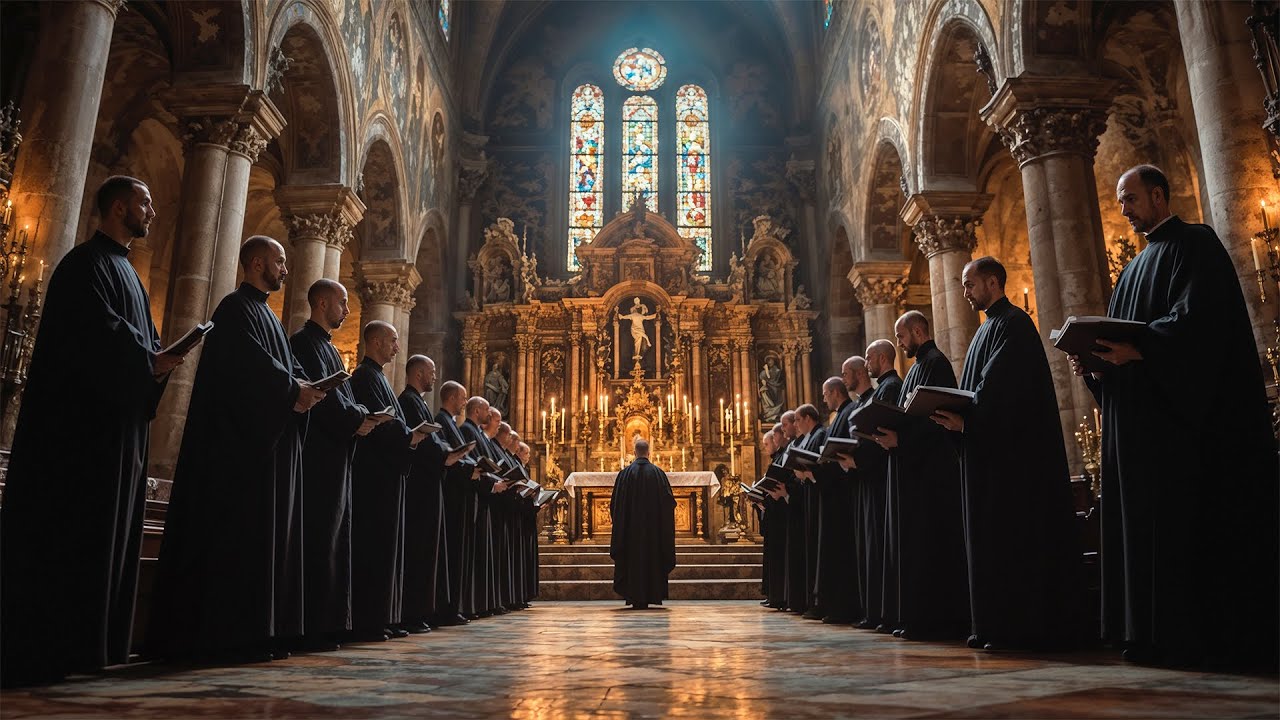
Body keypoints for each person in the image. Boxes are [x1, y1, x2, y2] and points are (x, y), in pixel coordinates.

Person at [1072, 165, 1279, 667]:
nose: (1123, 209)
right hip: (1140, 435)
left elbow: (1198, 323)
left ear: (1159, 195)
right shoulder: (1131, 271)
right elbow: (1124, 343)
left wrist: (1141, 350)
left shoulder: (1196, 244)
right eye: (1121, 201)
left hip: (1182, 435)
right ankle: (1147, 634)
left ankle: (1191, 636)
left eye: (1130, 198)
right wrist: (1097, 366)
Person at [0, 176, 184, 685]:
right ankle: (59, 646)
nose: (152, 211)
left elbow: (141, 342)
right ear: (119, 207)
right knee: (76, 536)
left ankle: (95, 646)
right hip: (81, 439)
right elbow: (95, 339)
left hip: (120, 434)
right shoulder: (83, 266)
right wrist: (147, 360)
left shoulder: (131, 275)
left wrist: (158, 361)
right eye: (145, 203)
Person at [149, 236, 325, 662]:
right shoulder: (233, 309)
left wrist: (306, 387)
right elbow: (250, 370)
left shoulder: (269, 317)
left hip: (262, 454)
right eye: (279, 262)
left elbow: (285, 367)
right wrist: (292, 390)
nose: (285, 270)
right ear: (257, 263)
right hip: (236, 457)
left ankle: (256, 633)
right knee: (235, 545)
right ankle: (228, 636)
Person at [933, 256, 1082, 651]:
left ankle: (1015, 627)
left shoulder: (1015, 324)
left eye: (969, 284)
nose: (965, 292)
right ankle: (990, 624)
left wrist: (967, 422)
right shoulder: (984, 331)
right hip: (987, 459)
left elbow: (1003, 392)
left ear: (993, 282)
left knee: (1010, 542)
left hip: (1012, 466)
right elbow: (975, 391)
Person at [289, 279, 389, 651]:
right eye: (342, 302)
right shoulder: (303, 343)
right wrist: (357, 418)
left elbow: (343, 397)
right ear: (321, 302)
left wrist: (358, 415)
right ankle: (312, 626)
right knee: (318, 538)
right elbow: (324, 399)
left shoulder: (330, 349)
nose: (347, 310)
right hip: (317, 457)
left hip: (336, 455)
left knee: (333, 539)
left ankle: (330, 624)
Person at [872, 311, 968, 640]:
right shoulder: (916, 368)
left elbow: (937, 418)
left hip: (932, 473)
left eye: (901, 336)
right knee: (915, 545)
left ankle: (935, 620)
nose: (899, 343)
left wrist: (901, 439)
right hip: (914, 469)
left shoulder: (936, 364)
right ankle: (916, 616)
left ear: (917, 331)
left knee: (931, 545)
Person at [399, 355, 470, 634]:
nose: (435, 376)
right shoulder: (409, 401)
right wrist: (447, 455)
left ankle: (423, 612)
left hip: (430, 486)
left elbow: (434, 441)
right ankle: (415, 613)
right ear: (418, 374)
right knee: (419, 550)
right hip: (420, 488)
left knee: (428, 551)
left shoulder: (419, 402)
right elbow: (428, 443)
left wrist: (449, 454)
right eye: (431, 371)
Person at [855, 339, 901, 630]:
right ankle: (878, 612)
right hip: (876, 474)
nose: (866, 363)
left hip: (881, 474)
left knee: (882, 545)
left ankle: (886, 612)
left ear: (882, 358)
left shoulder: (890, 387)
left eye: (869, 357)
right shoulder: (884, 387)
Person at [808, 377, 861, 624]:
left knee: (840, 552)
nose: (823, 399)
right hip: (833, 491)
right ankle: (834, 605)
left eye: (825, 394)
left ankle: (842, 607)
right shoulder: (839, 415)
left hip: (841, 493)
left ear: (835, 392)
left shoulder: (848, 412)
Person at [433, 381, 481, 627]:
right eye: (462, 398)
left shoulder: (450, 422)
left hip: (459, 493)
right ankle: (448, 608)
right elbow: (447, 455)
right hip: (452, 494)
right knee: (452, 552)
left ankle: (454, 607)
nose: (464, 402)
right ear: (452, 398)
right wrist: (470, 468)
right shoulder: (442, 421)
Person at [610, 439, 676, 609]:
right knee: (653, 558)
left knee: (631, 561)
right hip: (654, 534)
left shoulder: (624, 475)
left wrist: (622, 524)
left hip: (630, 534)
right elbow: (669, 504)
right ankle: (652, 593)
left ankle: (633, 595)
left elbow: (615, 506)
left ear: (634, 452)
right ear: (649, 452)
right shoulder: (658, 474)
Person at [758, 357, 785, 422]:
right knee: (764, 392)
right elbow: (763, 377)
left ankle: (776, 413)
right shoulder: (764, 372)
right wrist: (766, 371)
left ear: (774, 361)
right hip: (768, 389)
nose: (769, 362)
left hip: (776, 389)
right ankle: (768, 414)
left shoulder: (777, 371)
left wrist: (767, 371)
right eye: (768, 361)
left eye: (771, 361)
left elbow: (770, 378)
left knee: (776, 400)